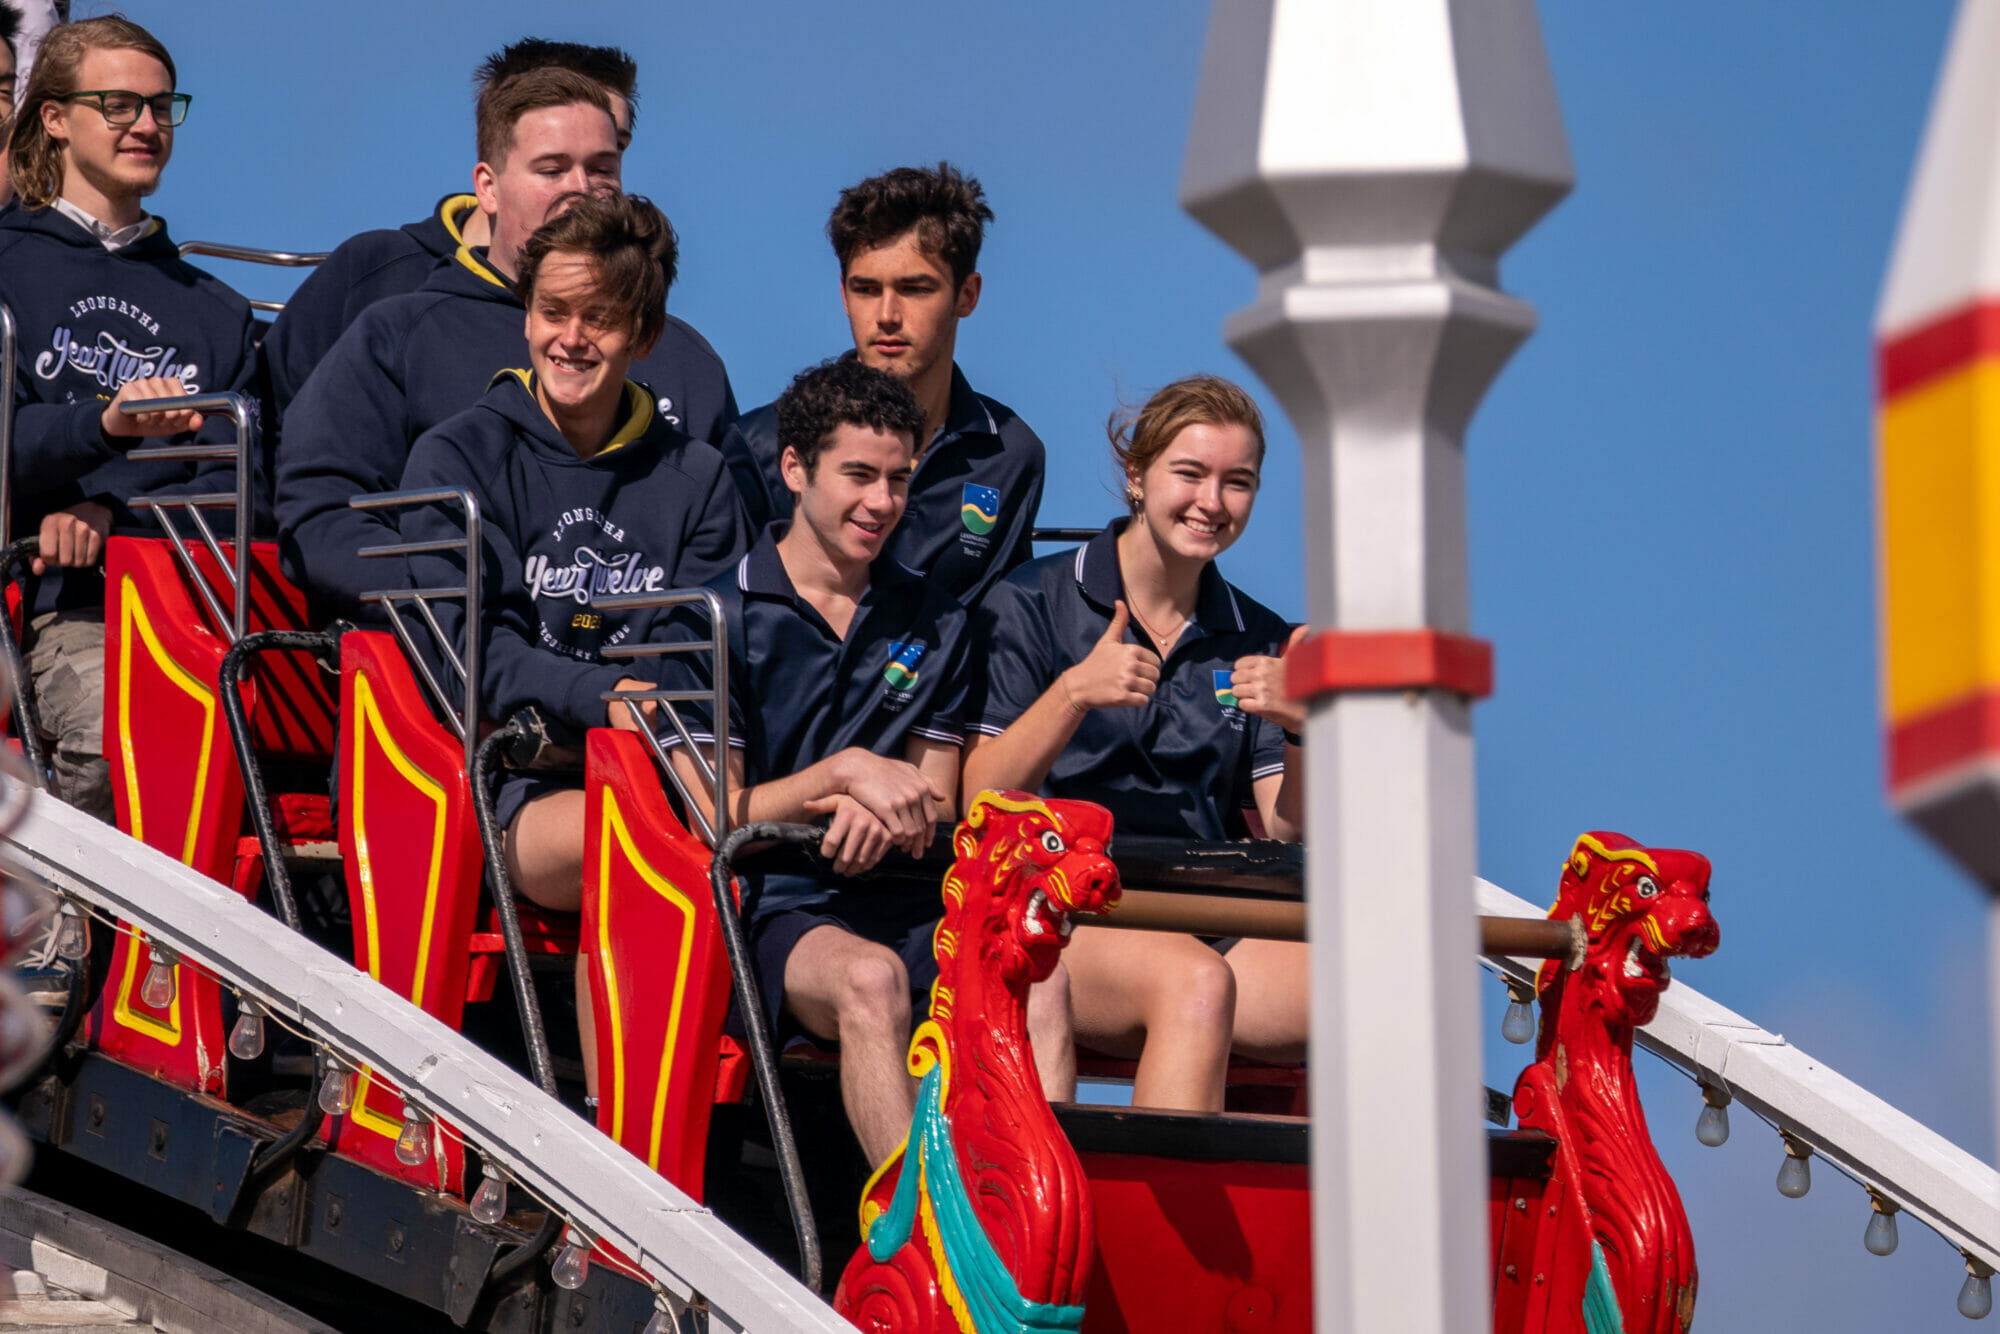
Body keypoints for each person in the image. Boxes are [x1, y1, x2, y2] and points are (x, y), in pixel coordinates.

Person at [661, 358, 1066, 1170]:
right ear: (793, 470)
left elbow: (937, 796)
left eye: (898, 479)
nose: (881, 503)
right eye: (857, 475)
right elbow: (717, 814)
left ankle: (1031, 1216)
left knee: (1039, 962)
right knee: (871, 981)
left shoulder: (938, 618)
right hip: (773, 909)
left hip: (909, 897)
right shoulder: (710, 616)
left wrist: (881, 807)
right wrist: (840, 777)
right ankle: (921, 1243)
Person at [399, 193, 746, 1096]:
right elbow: (466, 654)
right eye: (554, 313)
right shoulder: (457, 457)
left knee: (726, 832)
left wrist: (634, 713)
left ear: (647, 332)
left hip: (658, 771)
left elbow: (687, 660)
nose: (572, 339)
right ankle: (619, 1142)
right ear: (526, 317)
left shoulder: (699, 478)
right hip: (505, 787)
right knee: (640, 839)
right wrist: (598, 700)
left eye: (600, 318)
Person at [962, 374, 1307, 1114]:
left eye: (1236, 482)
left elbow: (1283, 826)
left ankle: (1344, 1229)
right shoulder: (1031, 601)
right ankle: (1139, 1228)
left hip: (1216, 915)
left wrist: (1304, 729)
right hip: (1063, 915)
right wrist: (1073, 693)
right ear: (1136, 476)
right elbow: (980, 797)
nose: (1211, 503)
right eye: (1190, 473)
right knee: (1193, 984)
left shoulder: (1261, 634)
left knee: (1388, 999)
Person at [275, 65, 733, 622]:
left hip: (631, 693)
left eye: (602, 169)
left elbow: (726, 575)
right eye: (552, 169)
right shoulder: (398, 334)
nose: (580, 190)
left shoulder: (688, 362)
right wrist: (467, 614)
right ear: (487, 187)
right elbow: (323, 522)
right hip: (440, 677)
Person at [0, 16, 258, 820]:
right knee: (125, 739)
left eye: (159, 107)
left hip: (185, 606)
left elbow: (240, 483)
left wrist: (109, 512)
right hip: (53, 609)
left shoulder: (216, 310)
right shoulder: (8, 263)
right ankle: (67, 942)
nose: (145, 125)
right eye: (117, 104)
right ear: (53, 117)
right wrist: (103, 427)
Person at [259, 39, 641, 426]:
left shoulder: (636, 323)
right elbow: (267, 426)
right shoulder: (376, 272)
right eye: (554, 163)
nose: (584, 184)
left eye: (612, 151)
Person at [721, 163, 1044, 608]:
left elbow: (1001, 632)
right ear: (843, 294)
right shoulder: (762, 443)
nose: (887, 315)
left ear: (967, 295)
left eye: (915, 289)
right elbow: (730, 620)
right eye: (867, 289)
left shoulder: (1009, 454)